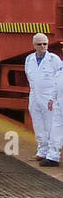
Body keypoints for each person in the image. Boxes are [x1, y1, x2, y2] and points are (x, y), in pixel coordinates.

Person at [25, 33, 63, 167]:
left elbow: (58, 79)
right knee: (38, 124)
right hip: (34, 96)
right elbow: (29, 76)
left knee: (51, 126)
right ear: (34, 45)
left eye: (45, 44)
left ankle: (52, 154)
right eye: (39, 44)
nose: (42, 46)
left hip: (49, 98)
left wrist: (53, 97)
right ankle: (42, 151)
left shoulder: (54, 60)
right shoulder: (29, 59)